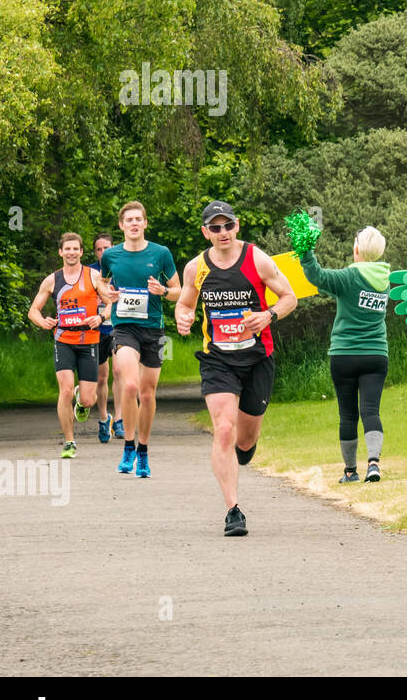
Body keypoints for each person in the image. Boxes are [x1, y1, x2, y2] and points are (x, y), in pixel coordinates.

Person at [175, 201, 297, 536]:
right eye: (214, 228)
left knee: (245, 439)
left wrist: (269, 315)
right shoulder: (195, 268)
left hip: (258, 358)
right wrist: (182, 317)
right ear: (205, 232)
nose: (222, 233)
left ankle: (244, 450)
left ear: (237, 226)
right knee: (224, 430)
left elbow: (289, 297)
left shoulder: (257, 259)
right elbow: (185, 303)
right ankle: (233, 510)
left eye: (227, 225)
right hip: (217, 360)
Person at [94, 202, 181, 478]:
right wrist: (109, 295)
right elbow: (101, 282)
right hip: (124, 328)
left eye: (138, 219)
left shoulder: (161, 253)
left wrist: (163, 290)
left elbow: (180, 290)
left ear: (145, 223)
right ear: (121, 226)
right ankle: (128, 445)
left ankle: (143, 450)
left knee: (147, 392)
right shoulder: (111, 255)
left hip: (153, 330)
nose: (133, 223)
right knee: (129, 384)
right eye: (128, 220)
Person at [299, 226, 391, 484]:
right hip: (376, 354)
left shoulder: (348, 278)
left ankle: (350, 471)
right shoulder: (385, 279)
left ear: (356, 249)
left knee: (347, 415)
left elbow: (316, 276)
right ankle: (374, 463)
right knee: (371, 411)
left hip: (344, 354)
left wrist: (305, 250)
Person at [26, 233, 103, 458]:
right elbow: (33, 311)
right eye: (67, 249)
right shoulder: (52, 280)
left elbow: (111, 305)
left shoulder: (94, 276)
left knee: (89, 399)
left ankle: (82, 400)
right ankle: (69, 441)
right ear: (61, 252)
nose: (71, 252)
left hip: (89, 340)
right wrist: (44, 322)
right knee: (65, 389)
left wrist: (100, 317)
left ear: (81, 252)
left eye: (75, 249)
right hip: (63, 340)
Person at [91, 233, 122, 442]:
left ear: (113, 248)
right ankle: (104, 418)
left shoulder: (122, 267)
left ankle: (120, 420)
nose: (103, 253)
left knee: (119, 372)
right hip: (98, 328)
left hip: (119, 327)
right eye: (99, 249)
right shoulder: (90, 273)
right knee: (101, 377)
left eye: (106, 248)